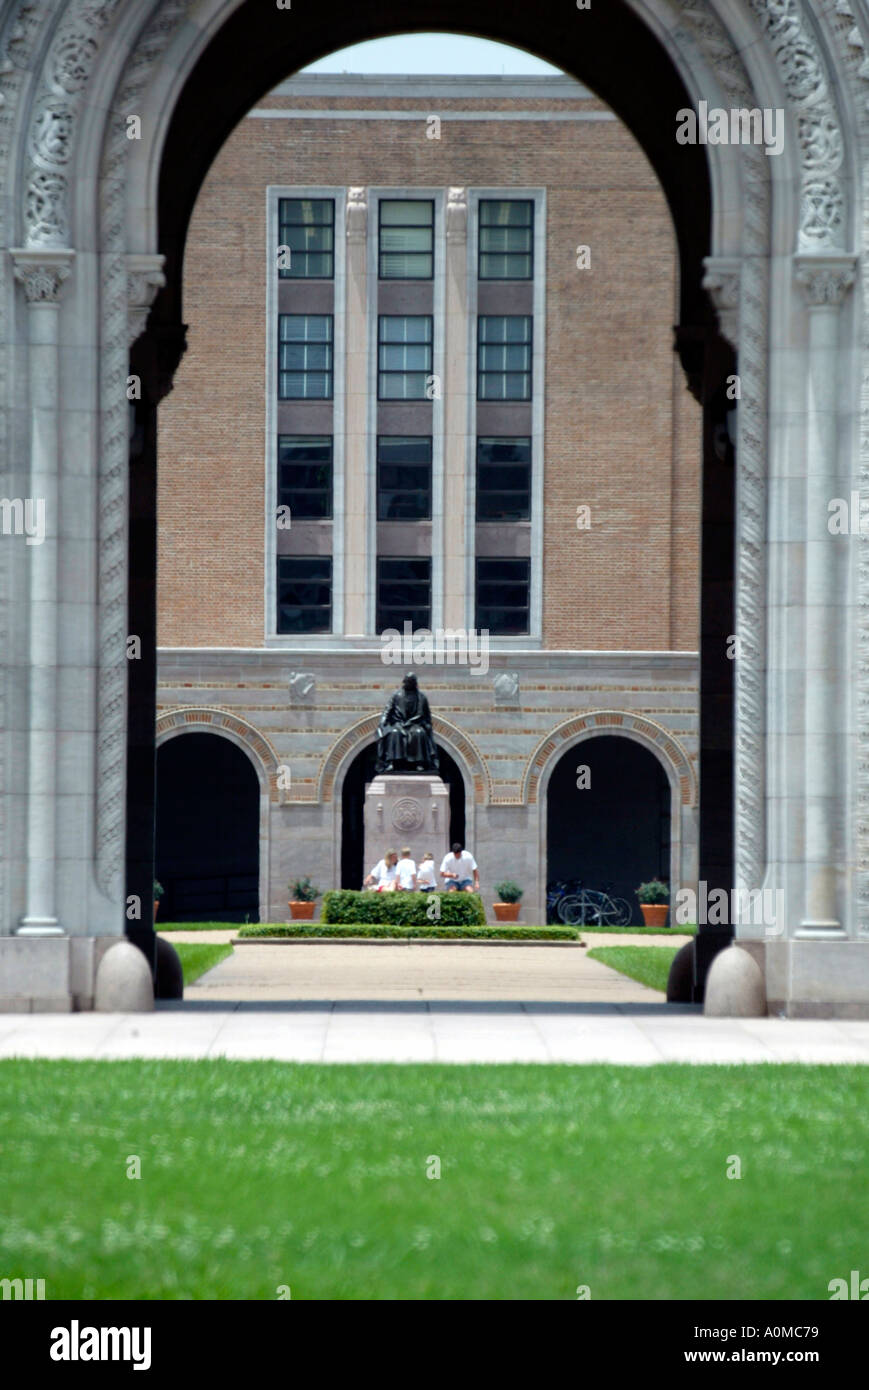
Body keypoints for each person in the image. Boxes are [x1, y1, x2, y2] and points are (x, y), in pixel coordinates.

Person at [375, 672, 439, 773]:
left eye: (411, 682)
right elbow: (387, 710)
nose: (408, 684)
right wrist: (383, 722)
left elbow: (427, 716)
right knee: (395, 733)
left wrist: (427, 725)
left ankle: (419, 763)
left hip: (415, 724)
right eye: (407, 682)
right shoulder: (397, 696)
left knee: (418, 733)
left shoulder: (422, 697)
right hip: (399, 724)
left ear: (414, 683)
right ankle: (392, 762)